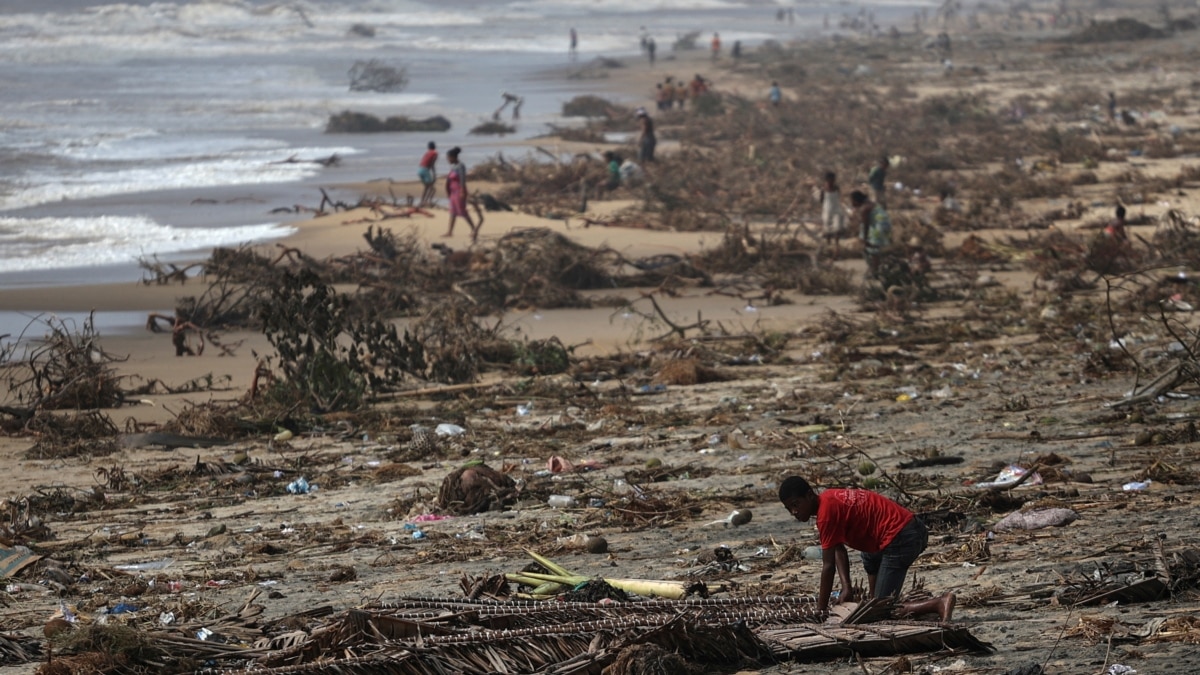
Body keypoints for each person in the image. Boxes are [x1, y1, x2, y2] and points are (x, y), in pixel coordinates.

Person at [778, 476, 956, 622]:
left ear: (809, 495)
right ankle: (875, 598)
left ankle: (939, 603)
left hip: (903, 536)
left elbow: (828, 566)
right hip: (899, 531)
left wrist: (820, 610)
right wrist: (846, 587)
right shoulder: (829, 498)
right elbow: (838, 548)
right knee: (869, 558)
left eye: (796, 504)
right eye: (789, 509)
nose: (794, 512)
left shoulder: (826, 514)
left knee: (882, 610)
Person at [851, 189, 891, 278]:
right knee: (872, 248)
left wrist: (865, 239)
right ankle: (875, 268)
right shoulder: (869, 204)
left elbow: (866, 225)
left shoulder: (864, 209)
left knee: (873, 250)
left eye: (852, 201)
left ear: (856, 201)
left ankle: (875, 271)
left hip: (878, 228)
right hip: (882, 226)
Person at [443, 147, 479, 242]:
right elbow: (449, 180)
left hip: (459, 191)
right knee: (452, 212)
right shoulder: (453, 166)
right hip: (453, 192)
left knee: (462, 211)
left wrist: (463, 191)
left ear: (454, 157)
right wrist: (448, 191)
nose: (448, 160)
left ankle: (474, 228)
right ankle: (449, 231)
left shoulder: (460, 166)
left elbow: (462, 179)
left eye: (449, 158)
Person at [816, 171, 846, 255]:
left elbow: (839, 197)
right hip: (827, 210)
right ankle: (828, 245)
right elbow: (821, 200)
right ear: (826, 180)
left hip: (836, 209)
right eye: (830, 180)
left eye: (833, 180)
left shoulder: (836, 188)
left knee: (837, 228)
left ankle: (836, 244)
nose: (832, 181)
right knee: (828, 229)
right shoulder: (823, 189)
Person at [417, 141, 438, 208]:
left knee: (426, 187)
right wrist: (434, 174)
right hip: (425, 170)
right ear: (434, 147)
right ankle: (428, 202)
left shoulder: (427, 153)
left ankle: (422, 201)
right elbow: (432, 164)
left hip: (420, 170)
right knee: (432, 189)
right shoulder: (435, 153)